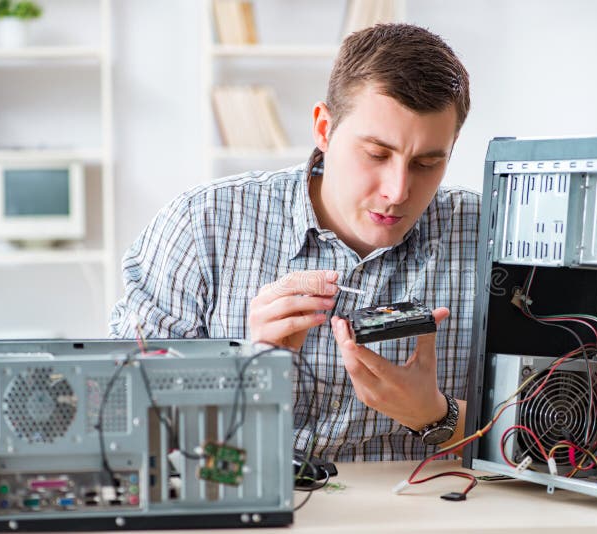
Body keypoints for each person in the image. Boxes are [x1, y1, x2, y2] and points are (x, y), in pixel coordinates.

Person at [109, 23, 479, 461]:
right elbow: (120, 416)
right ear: (323, 129)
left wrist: (437, 417)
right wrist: (246, 374)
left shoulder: (486, 236)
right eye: (376, 154)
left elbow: (556, 439)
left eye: (427, 162)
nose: (397, 190)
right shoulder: (201, 225)